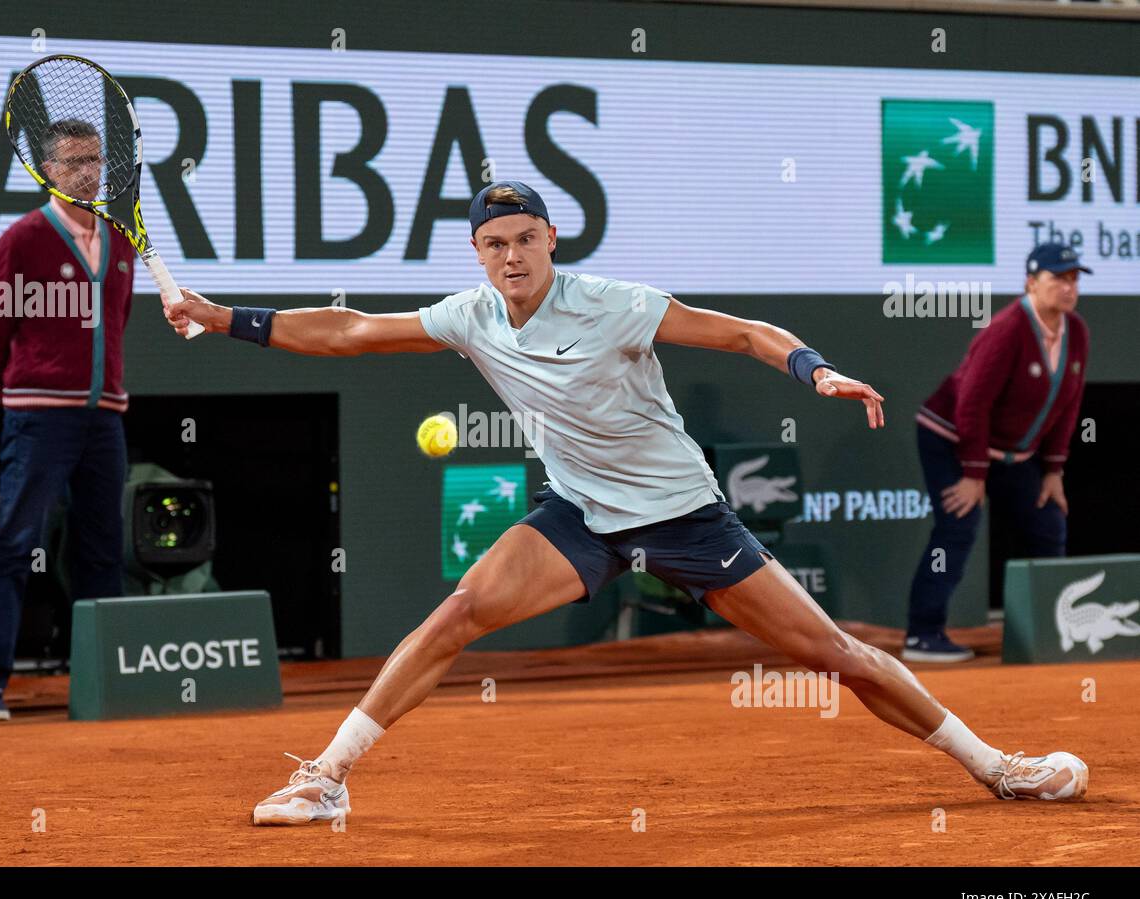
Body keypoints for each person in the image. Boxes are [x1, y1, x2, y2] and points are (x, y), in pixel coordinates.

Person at [164, 181, 1088, 823]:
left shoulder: (615, 303)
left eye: (525, 239)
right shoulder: (469, 316)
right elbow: (353, 331)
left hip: (684, 515)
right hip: (578, 514)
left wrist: (816, 370)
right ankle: (328, 777)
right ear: (478, 255)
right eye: (494, 244)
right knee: (456, 616)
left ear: (550, 242)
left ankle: (998, 768)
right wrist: (220, 317)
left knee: (835, 653)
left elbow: (742, 333)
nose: (512, 256)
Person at [0, 120, 137, 721]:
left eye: (93, 160)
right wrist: (20, 395)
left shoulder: (120, 242)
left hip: (105, 420)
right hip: (40, 417)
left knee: (101, 551)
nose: (86, 171)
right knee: (15, 546)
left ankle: (100, 686)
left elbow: (116, 325)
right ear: (47, 172)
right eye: (71, 163)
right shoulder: (21, 239)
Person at [906, 243, 1090, 662]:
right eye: (1058, 278)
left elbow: (1069, 402)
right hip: (951, 439)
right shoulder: (1007, 329)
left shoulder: (1076, 331)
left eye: (1074, 279)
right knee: (959, 524)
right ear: (1031, 282)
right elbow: (972, 403)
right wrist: (974, 474)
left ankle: (1051, 629)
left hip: (1014, 454)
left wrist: (1054, 470)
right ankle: (923, 634)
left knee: (1047, 522)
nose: (1068, 287)